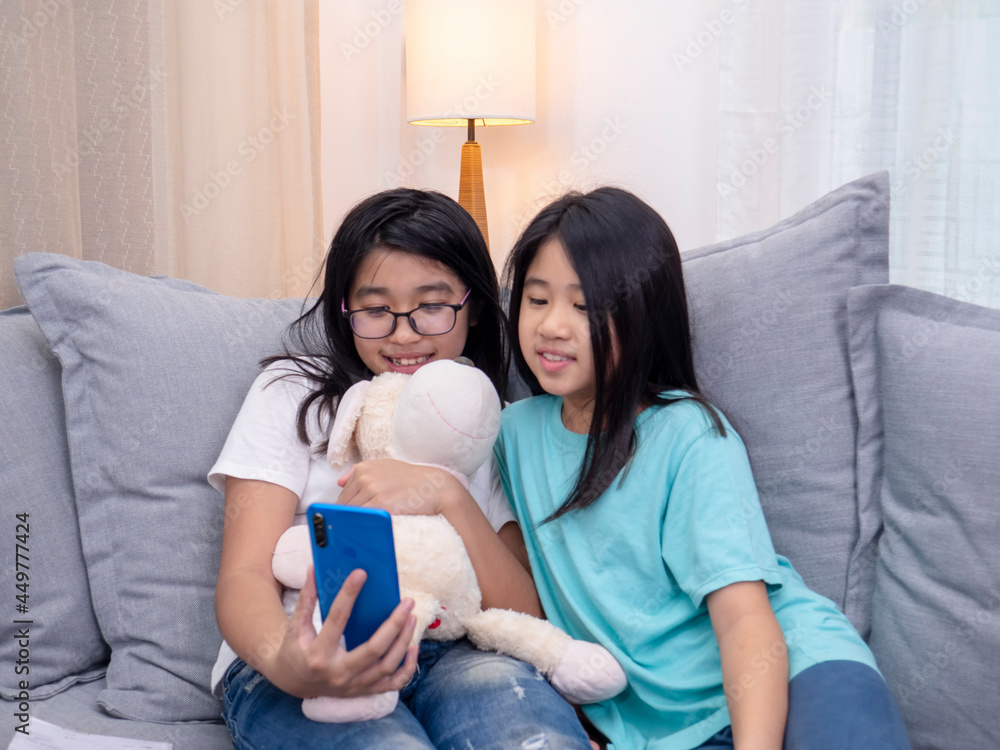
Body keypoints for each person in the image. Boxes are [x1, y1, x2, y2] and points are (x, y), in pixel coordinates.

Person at [494, 187, 913, 750]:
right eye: (537, 299)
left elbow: (744, 620)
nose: (552, 325)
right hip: (665, 728)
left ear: (642, 316)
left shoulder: (688, 434)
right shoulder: (512, 435)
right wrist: (444, 493)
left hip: (797, 666)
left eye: (586, 306)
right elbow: (523, 599)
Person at [212, 188, 595, 749]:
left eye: (432, 305)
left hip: (460, 651)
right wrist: (288, 661)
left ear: (475, 306)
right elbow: (244, 573)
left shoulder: (490, 422)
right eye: (375, 310)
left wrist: (447, 493)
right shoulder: (292, 392)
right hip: (303, 653)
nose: (404, 333)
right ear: (345, 311)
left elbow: (523, 610)